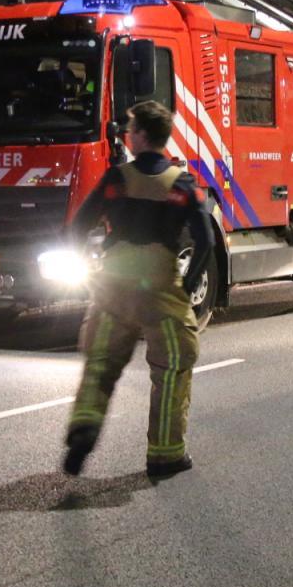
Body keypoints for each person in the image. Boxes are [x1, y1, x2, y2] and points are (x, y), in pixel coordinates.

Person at [62, 101, 215, 480]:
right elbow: (206, 240)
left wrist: (90, 274)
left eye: (130, 129)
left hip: (113, 287)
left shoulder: (115, 178)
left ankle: (84, 430)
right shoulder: (181, 184)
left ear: (143, 135)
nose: (126, 135)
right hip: (160, 291)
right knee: (174, 365)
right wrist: (189, 286)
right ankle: (165, 455)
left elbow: (78, 227)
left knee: (100, 362)